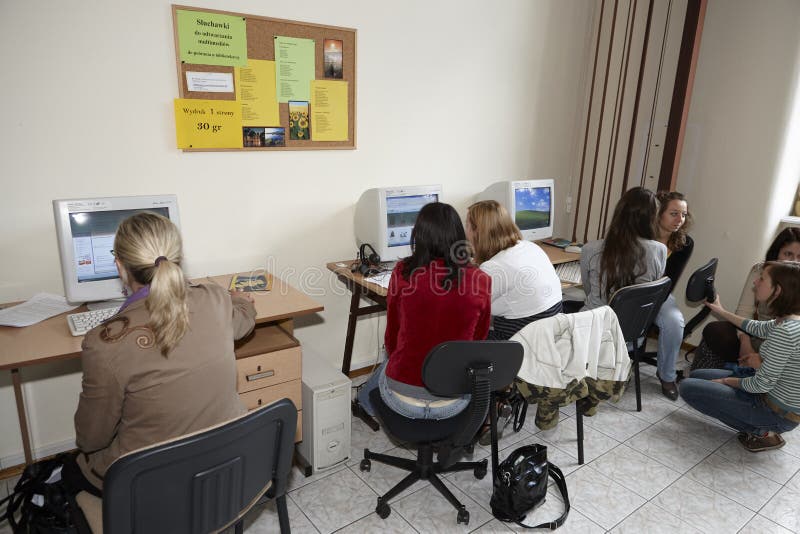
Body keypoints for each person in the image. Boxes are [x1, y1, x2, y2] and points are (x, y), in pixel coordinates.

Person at [64, 212, 256, 495]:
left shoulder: (104, 342)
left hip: (151, 483)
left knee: (72, 468)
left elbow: (91, 438)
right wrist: (240, 301)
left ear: (120, 266)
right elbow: (242, 323)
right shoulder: (215, 299)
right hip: (223, 462)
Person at [357, 202, 491, 420]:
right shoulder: (481, 279)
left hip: (402, 399)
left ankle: (362, 404)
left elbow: (392, 337)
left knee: (388, 361)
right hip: (453, 402)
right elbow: (479, 338)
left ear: (418, 236)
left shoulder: (402, 273)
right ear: (459, 235)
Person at [679, 261, 800, 451]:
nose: (756, 283)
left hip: (774, 411)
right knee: (697, 376)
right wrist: (721, 310)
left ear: (777, 291)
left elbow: (761, 384)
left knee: (688, 388)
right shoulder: (788, 321)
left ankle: (763, 432)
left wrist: (728, 381)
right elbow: (755, 327)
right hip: (766, 394)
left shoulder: (787, 332)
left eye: (762, 279)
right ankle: (761, 427)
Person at [580, 187, 681, 400]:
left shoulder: (591, 249)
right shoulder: (659, 250)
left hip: (594, 331)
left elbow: (588, 289)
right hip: (632, 334)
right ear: (651, 219)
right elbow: (650, 292)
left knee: (559, 306)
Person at [697, 227, 800, 370]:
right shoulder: (760, 270)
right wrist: (745, 342)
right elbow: (746, 313)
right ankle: (705, 377)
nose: (794, 261)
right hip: (757, 334)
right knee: (715, 331)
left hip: (785, 347)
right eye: (788, 254)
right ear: (776, 253)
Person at [466, 200, 563, 340]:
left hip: (520, 343)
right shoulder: (530, 246)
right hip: (550, 334)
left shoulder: (493, 267)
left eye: (467, 225)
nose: (465, 231)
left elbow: (470, 309)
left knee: (455, 332)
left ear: (478, 232)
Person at [656, 190, 694, 290]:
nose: (680, 220)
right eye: (674, 214)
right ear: (658, 213)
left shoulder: (685, 243)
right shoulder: (641, 236)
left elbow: (669, 285)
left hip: (658, 296)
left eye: (683, 215)